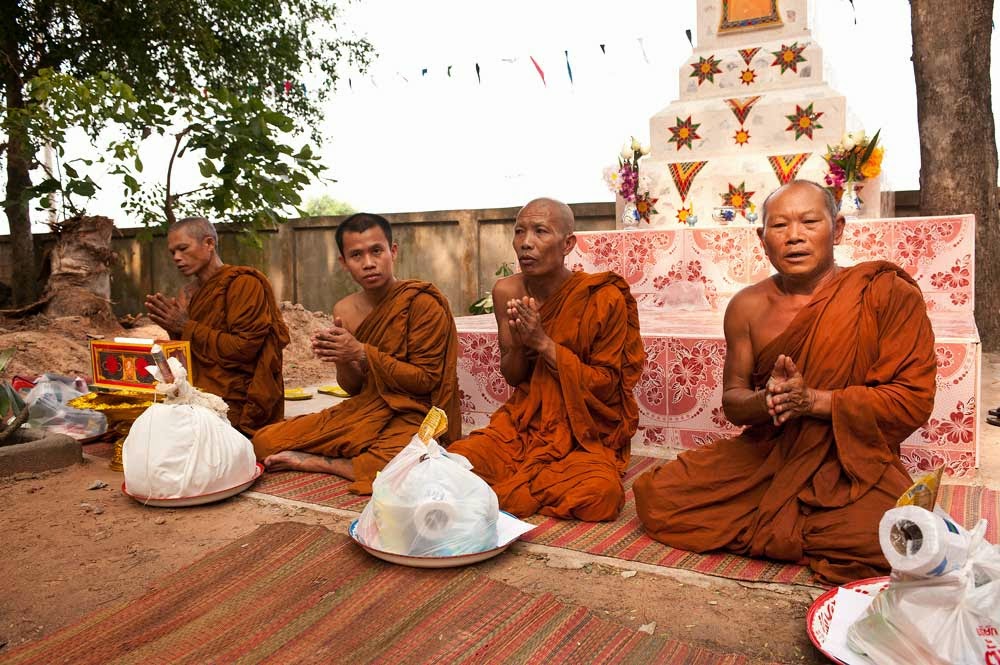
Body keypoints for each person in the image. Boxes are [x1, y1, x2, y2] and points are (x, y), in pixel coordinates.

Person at [632, 180, 938, 584]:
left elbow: (912, 401)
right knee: (657, 498)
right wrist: (770, 400)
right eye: (779, 226)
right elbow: (734, 402)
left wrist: (812, 401)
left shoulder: (883, 293)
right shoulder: (748, 306)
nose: (794, 236)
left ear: (839, 228)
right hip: (767, 457)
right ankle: (799, 527)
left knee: (894, 535)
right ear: (762, 238)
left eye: (810, 222)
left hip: (851, 463)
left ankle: (781, 524)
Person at [448, 198, 646, 521]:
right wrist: (519, 344)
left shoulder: (603, 298)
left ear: (568, 243)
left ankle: (515, 488)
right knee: (455, 461)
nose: (526, 243)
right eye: (519, 232)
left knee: (602, 495)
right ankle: (528, 485)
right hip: (522, 426)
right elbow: (513, 377)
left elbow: (608, 386)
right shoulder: (507, 292)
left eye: (541, 231)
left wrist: (542, 343)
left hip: (583, 434)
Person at [252, 213, 461, 494]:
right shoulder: (345, 310)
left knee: (408, 464)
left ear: (393, 251)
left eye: (377, 251)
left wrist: (361, 352)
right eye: (356, 255)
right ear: (344, 262)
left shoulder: (421, 302)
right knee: (264, 441)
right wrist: (344, 358)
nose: (369, 263)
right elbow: (353, 388)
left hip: (417, 411)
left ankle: (326, 463)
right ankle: (355, 454)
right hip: (368, 409)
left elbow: (425, 381)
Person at [145, 217, 289, 436]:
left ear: (209, 244)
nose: (176, 258)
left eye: (183, 248)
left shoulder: (243, 283)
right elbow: (187, 352)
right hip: (193, 389)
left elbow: (244, 348)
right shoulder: (188, 293)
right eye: (172, 252)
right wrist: (173, 328)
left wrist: (184, 325)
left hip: (237, 397)